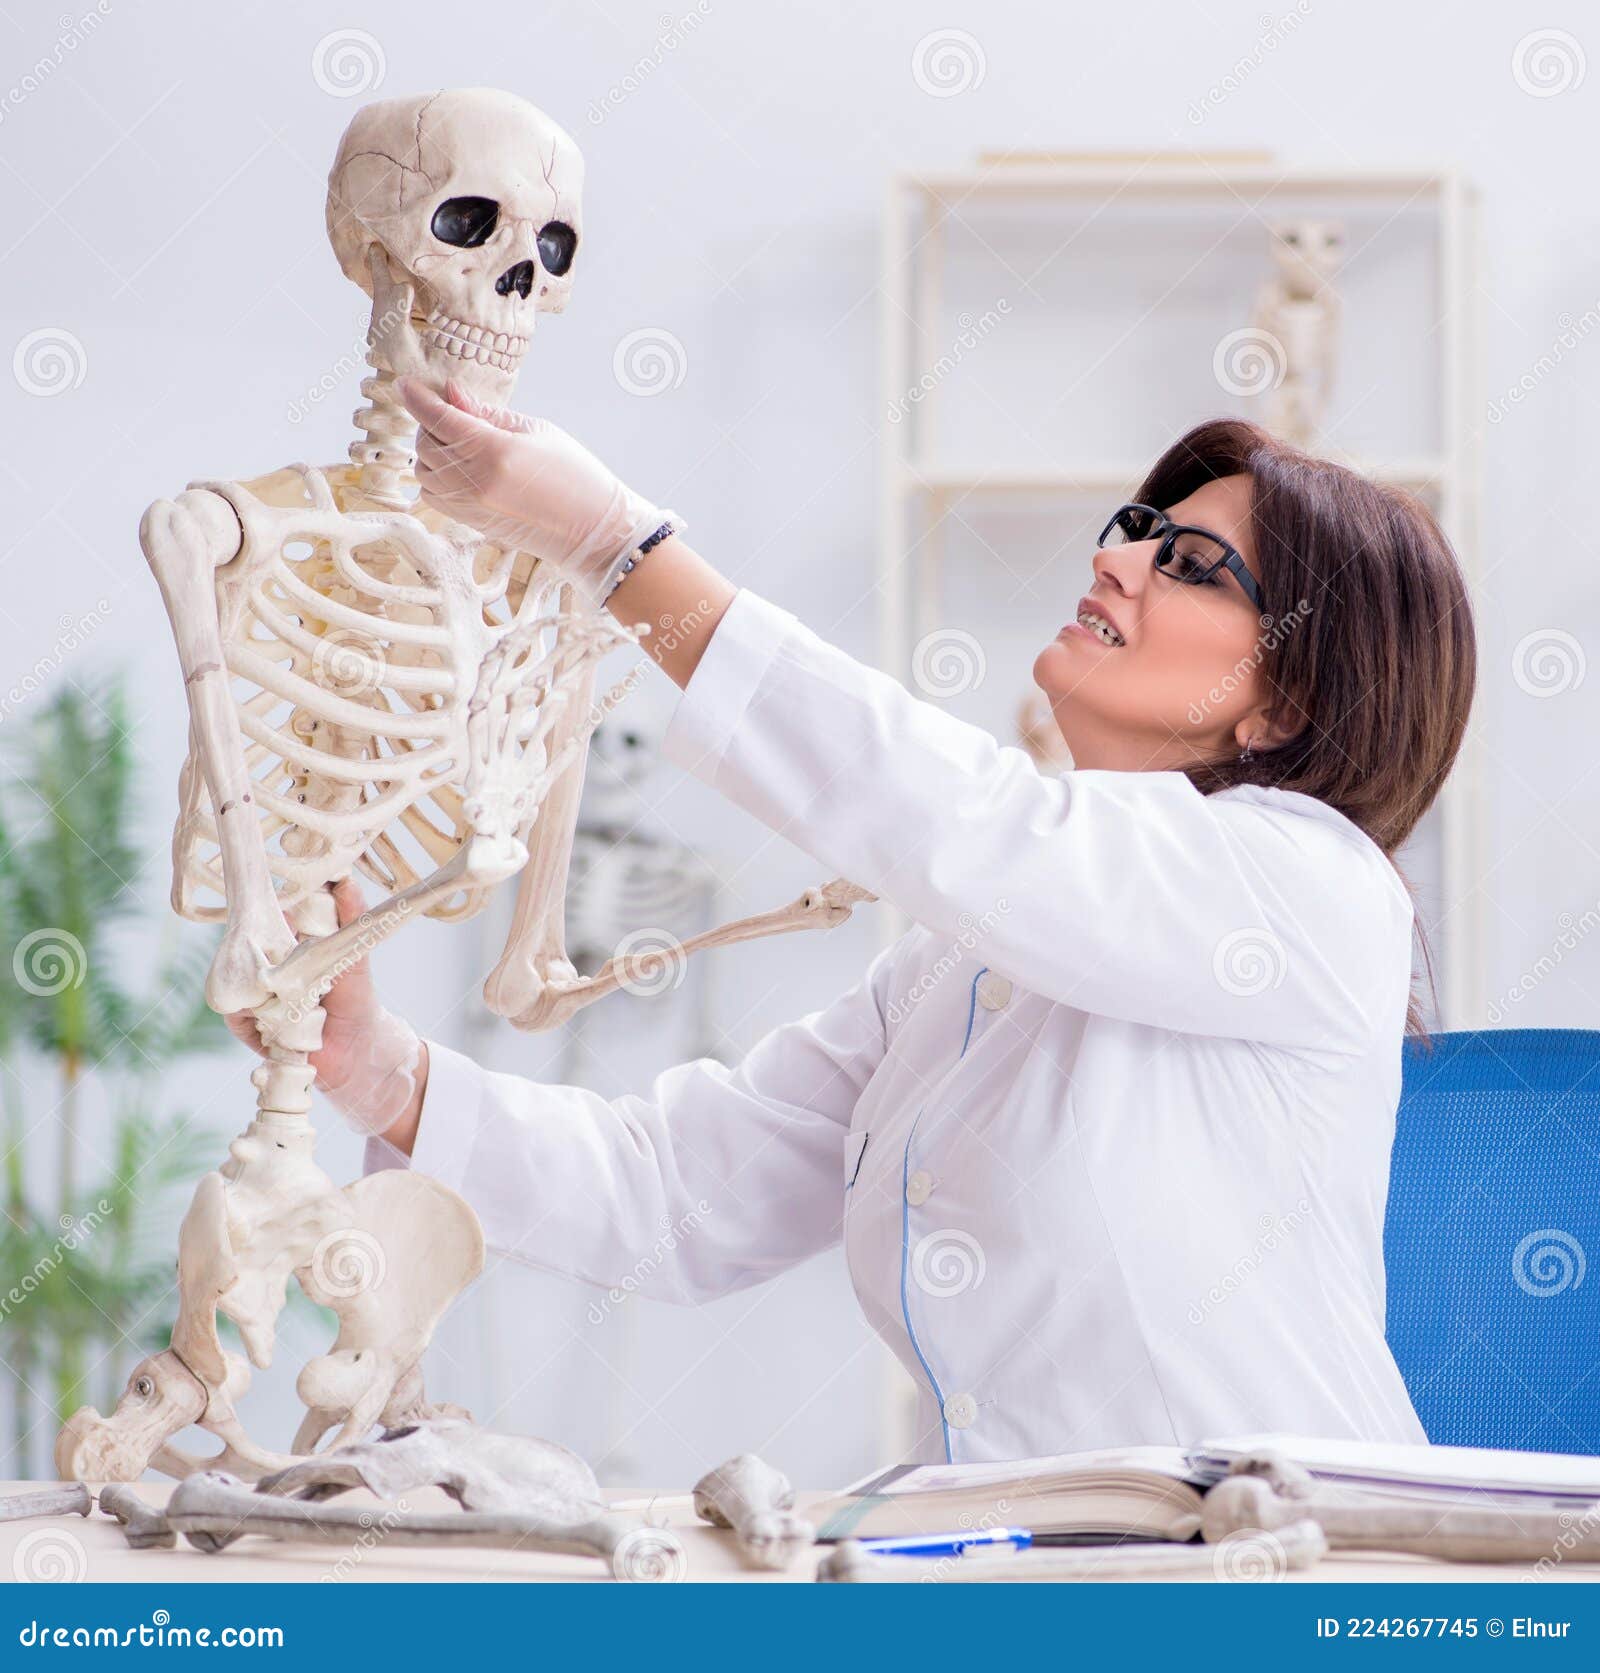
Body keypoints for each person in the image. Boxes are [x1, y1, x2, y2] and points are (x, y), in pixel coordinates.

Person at [228, 386, 1475, 1465]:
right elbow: (675, 1188)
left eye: (1193, 563)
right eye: (1139, 529)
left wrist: (615, 548)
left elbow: (967, 819)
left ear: (1280, 705)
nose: (1118, 560)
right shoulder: (958, 970)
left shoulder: (1313, 886)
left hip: (1281, 1576)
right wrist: (380, 1073)